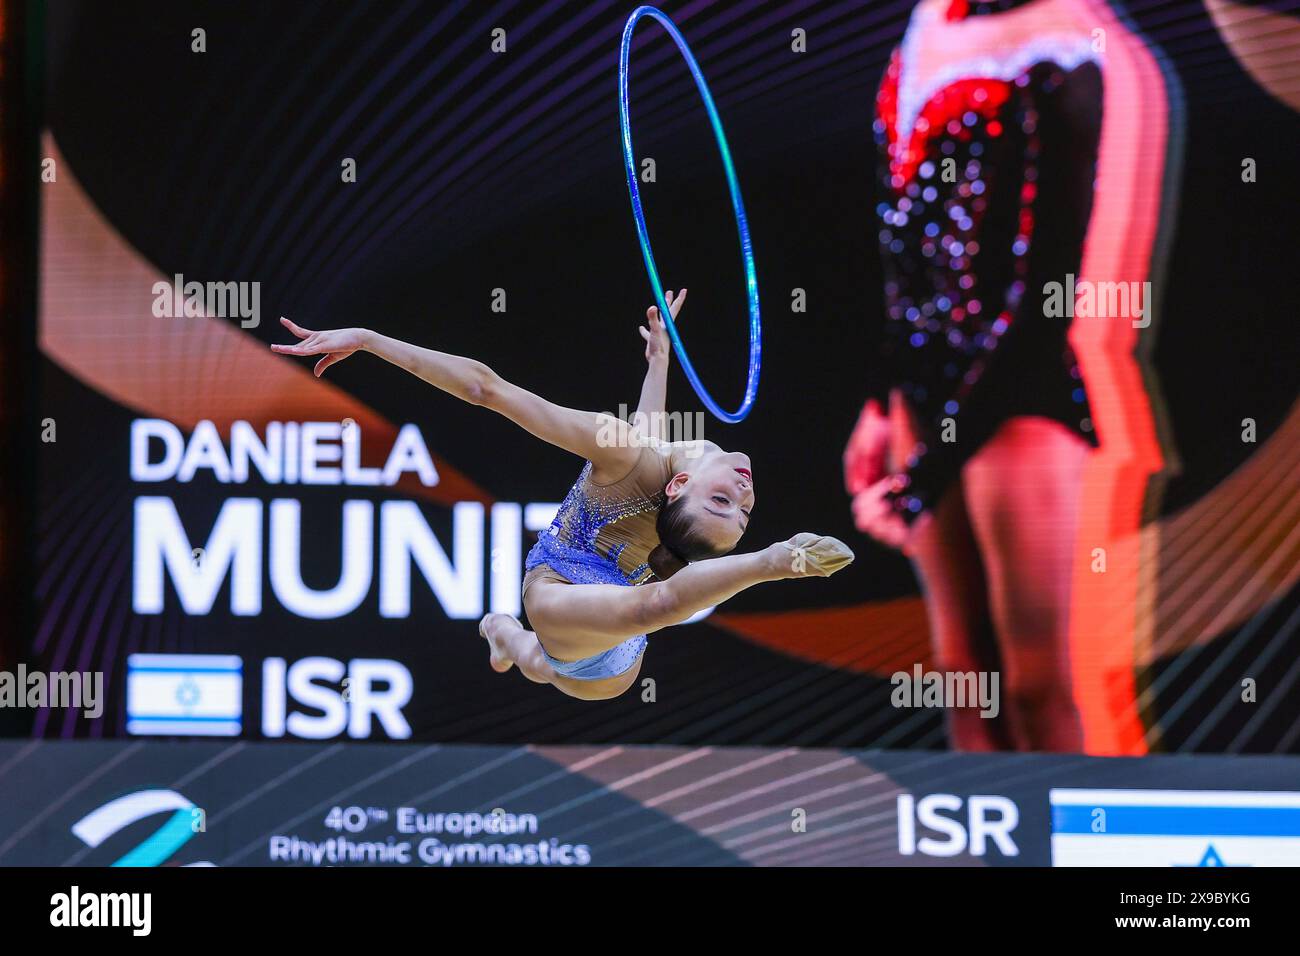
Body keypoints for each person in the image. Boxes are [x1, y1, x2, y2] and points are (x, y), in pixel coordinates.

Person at [273, 289, 853, 702]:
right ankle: (503, 636)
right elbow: (490, 390)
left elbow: (637, 448)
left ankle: (505, 634)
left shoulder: (638, 454)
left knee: (550, 658)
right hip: (615, 622)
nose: (745, 493)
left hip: (572, 606)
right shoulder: (630, 449)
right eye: (737, 508)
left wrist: (779, 562)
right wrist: (659, 361)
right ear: (678, 486)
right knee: (543, 663)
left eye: (730, 506)